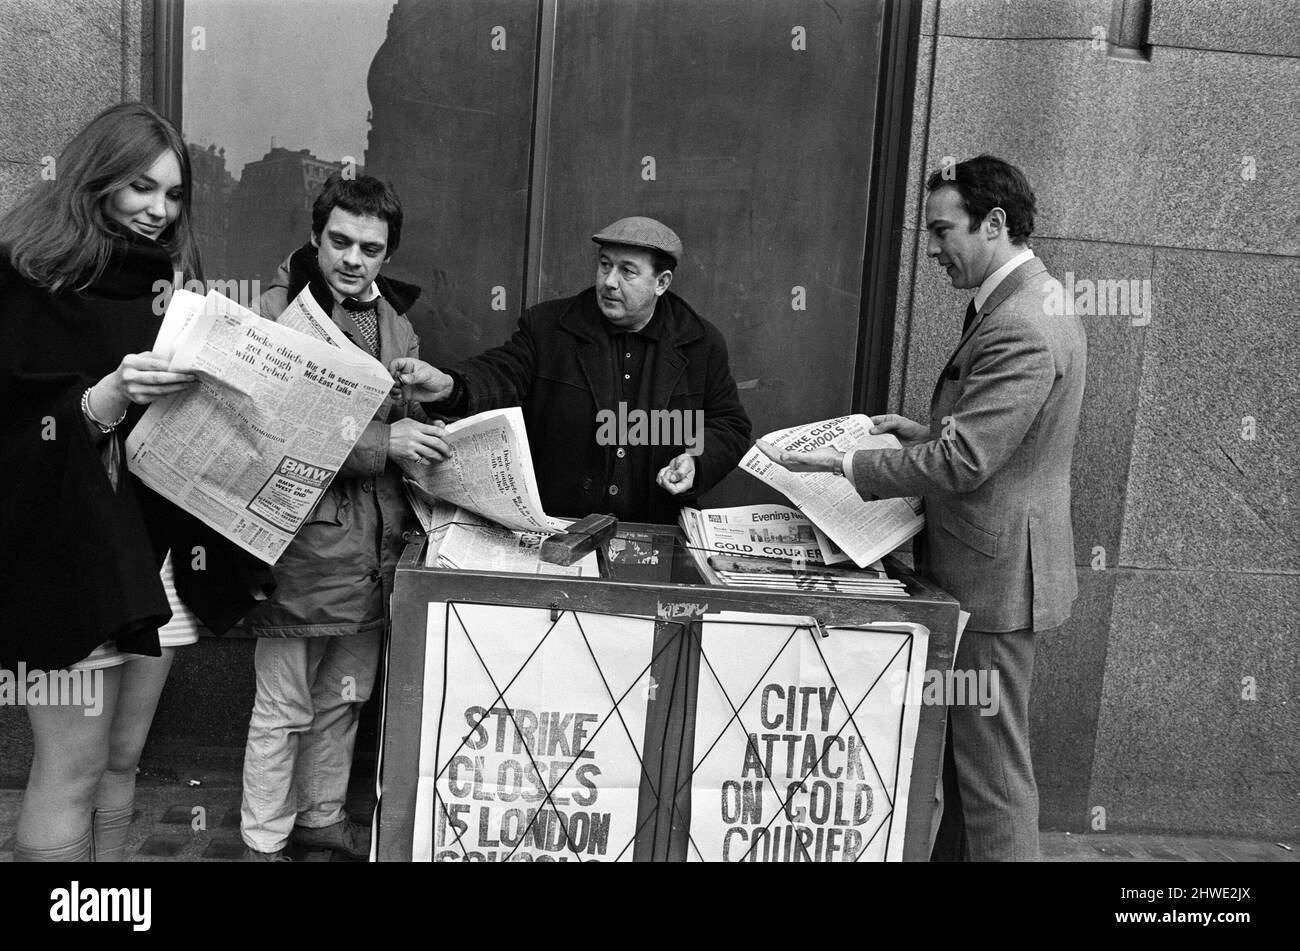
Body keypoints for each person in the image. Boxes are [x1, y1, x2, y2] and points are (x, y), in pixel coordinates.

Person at [758, 155, 1087, 861]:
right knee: (969, 770)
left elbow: (966, 463)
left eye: (943, 230)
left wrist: (846, 463)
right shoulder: (1035, 301)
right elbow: (997, 439)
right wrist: (927, 431)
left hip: (992, 584)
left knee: (992, 777)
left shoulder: (1020, 322)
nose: (933, 249)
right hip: (995, 571)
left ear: (995, 223)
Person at [0, 102, 206, 861]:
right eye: (141, 188)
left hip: (160, 557)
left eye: (174, 194)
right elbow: (18, 428)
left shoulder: (173, 283)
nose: (159, 210)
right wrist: (101, 400)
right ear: (96, 181)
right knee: (72, 770)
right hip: (64, 557)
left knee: (123, 764)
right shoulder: (27, 274)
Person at [238, 174, 448, 861]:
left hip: (375, 545)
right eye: (340, 241)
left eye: (371, 247)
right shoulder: (273, 311)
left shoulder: (396, 320)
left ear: (388, 254)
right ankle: (263, 838)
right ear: (314, 236)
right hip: (299, 543)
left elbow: (399, 422)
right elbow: (267, 423)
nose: (353, 258)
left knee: (344, 698)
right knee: (283, 706)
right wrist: (386, 442)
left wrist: (421, 407)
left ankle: (322, 815)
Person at [391, 216, 751, 524]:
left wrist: (696, 460)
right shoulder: (550, 327)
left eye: (627, 271)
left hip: (655, 534)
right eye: (605, 264)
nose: (609, 281)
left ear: (661, 282)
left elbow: (728, 425)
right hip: (559, 530)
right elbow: (503, 372)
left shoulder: (701, 343)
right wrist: (448, 386)